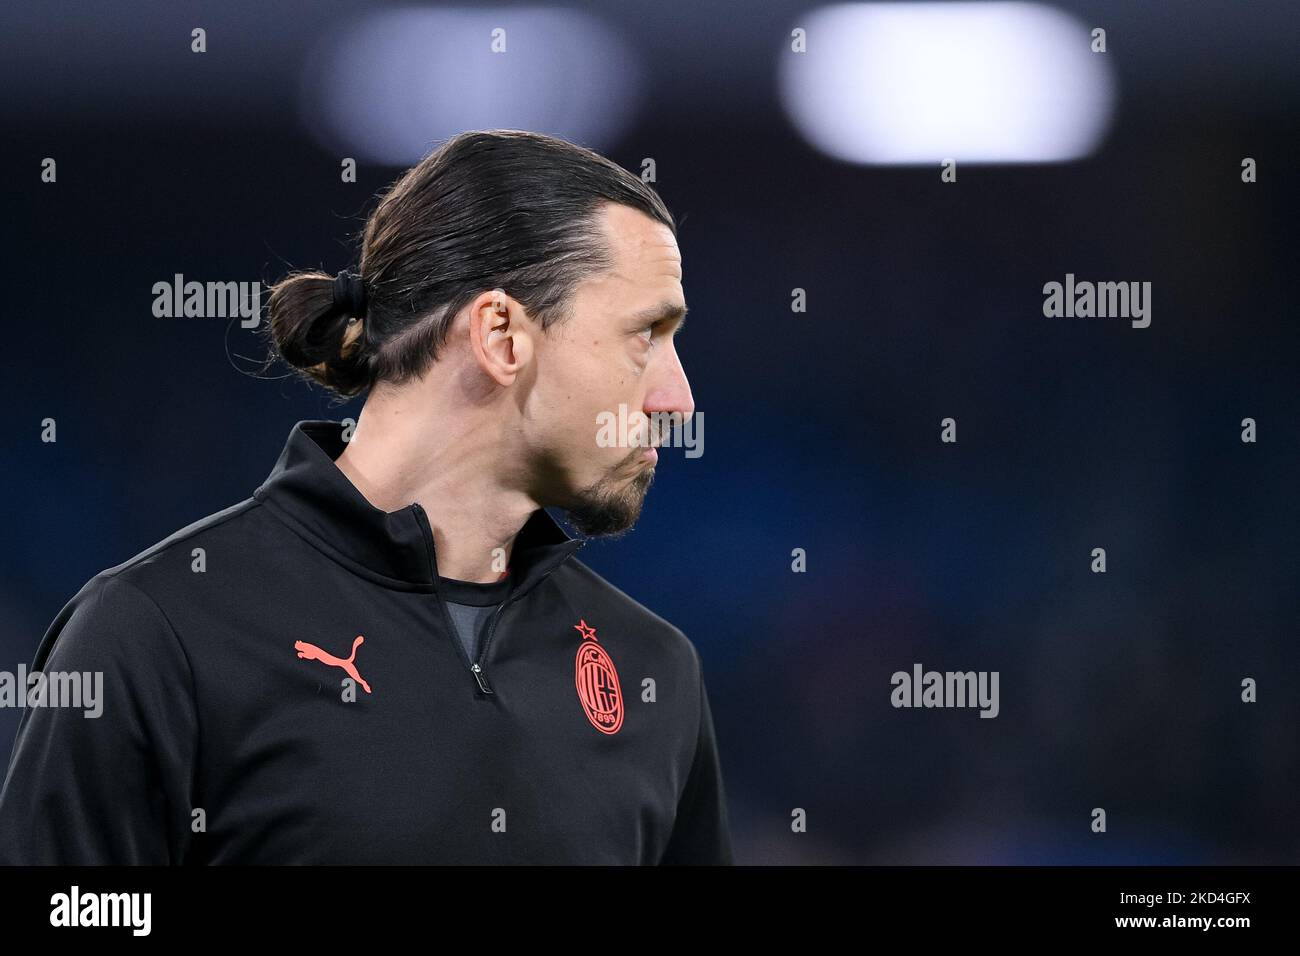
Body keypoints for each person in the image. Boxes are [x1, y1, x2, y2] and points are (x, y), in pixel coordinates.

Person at [0, 129, 732, 864]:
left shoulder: (653, 672)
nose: (679, 398)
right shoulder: (157, 633)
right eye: (647, 334)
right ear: (502, 335)